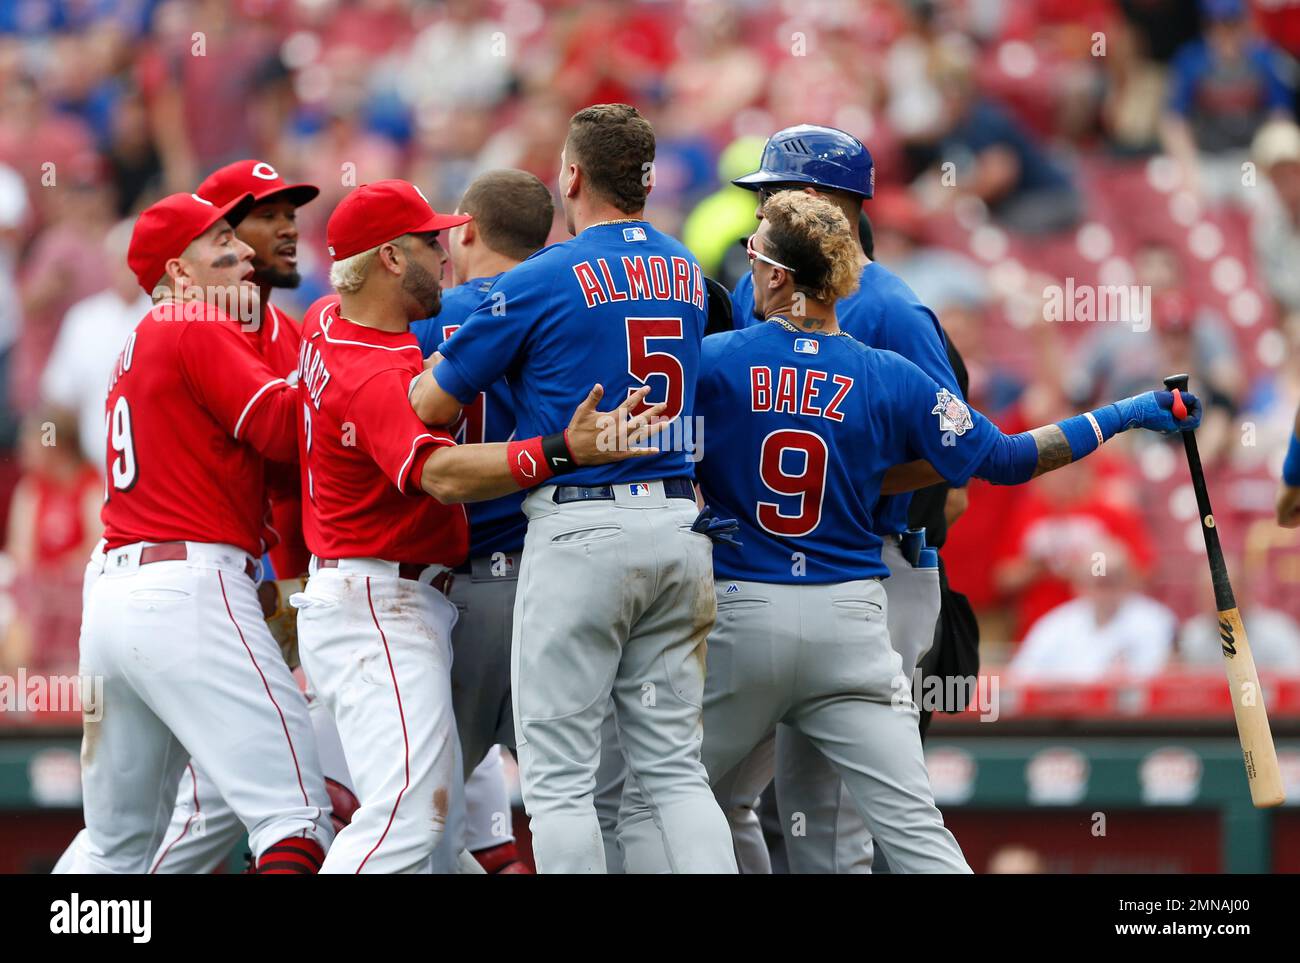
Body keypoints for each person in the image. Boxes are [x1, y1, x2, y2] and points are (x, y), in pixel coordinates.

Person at [617, 190, 1201, 874]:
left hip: (746, 617)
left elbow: (640, 449)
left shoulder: (712, 362)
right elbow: (1008, 458)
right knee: (918, 839)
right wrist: (1130, 411)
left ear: (777, 275)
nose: (747, 269)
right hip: (851, 626)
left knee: (656, 800)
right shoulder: (887, 375)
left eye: (753, 255)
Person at [291, 176, 665, 874]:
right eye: (429, 241)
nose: (444, 251)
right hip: (392, 600)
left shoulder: (324, 319)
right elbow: (438, 473)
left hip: (402, 595)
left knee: (431, 829)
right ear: (391, 259)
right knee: (413, 815)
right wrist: (564, 448)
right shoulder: (376, 367)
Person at [410, 104, 738, 874]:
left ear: (573, 175)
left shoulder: (541, 277)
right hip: (678, 524)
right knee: (674, 773)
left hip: (580, 523)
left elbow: (431, 404)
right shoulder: (687, 269)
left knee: (559, 783)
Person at [66, 190, 334, 874]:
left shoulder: (141, 336)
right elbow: (283, 431)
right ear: (179, 275)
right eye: (221, 242)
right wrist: (359, 357)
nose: (244, 250)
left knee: (114, 847)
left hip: (119, 594)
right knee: (296, 818)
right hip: (188, 585)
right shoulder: (193, 320)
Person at [726, 123, 968, 873]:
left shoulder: (892, 310)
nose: (759, 209)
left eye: (772, 193)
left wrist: (853, 478)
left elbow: (951, 465)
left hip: (879, 565)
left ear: (828, 200)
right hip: (769, 577)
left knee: (833, 827)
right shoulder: (751, 284)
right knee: (710, 791)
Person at [143, 158, 323, 873]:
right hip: (204, 582)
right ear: (217, 235)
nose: (283, 230)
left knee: (193, 814)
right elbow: (287, 445)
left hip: (249, 582)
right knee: (290, 804)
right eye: (264, 215)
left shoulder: (280, 328)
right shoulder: (193, 325)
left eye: (291, 213)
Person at [409, 167, 557, 873]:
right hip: (553, 575)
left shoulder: (428, 313)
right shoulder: (564, 303)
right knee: (574, 796)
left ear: (466, 229)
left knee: (424, 806)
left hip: (457, 586)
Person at [39, 219, 151, 467]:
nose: (128, 270)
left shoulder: (165, 313)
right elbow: (60, 395)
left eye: (134, 260)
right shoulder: (84, 319)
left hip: (156, 466)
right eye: (121, 261)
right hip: (96, 465)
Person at [1008, 542, 1176, 681]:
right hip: (1061, 717)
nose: (1105, 591)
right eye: (1098, 582)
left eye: (1112, 580)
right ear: (1079, 585)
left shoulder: (1155, 620)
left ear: (1128, 580)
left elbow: (1157, 678)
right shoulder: (1055, 624)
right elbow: (1021, 676)